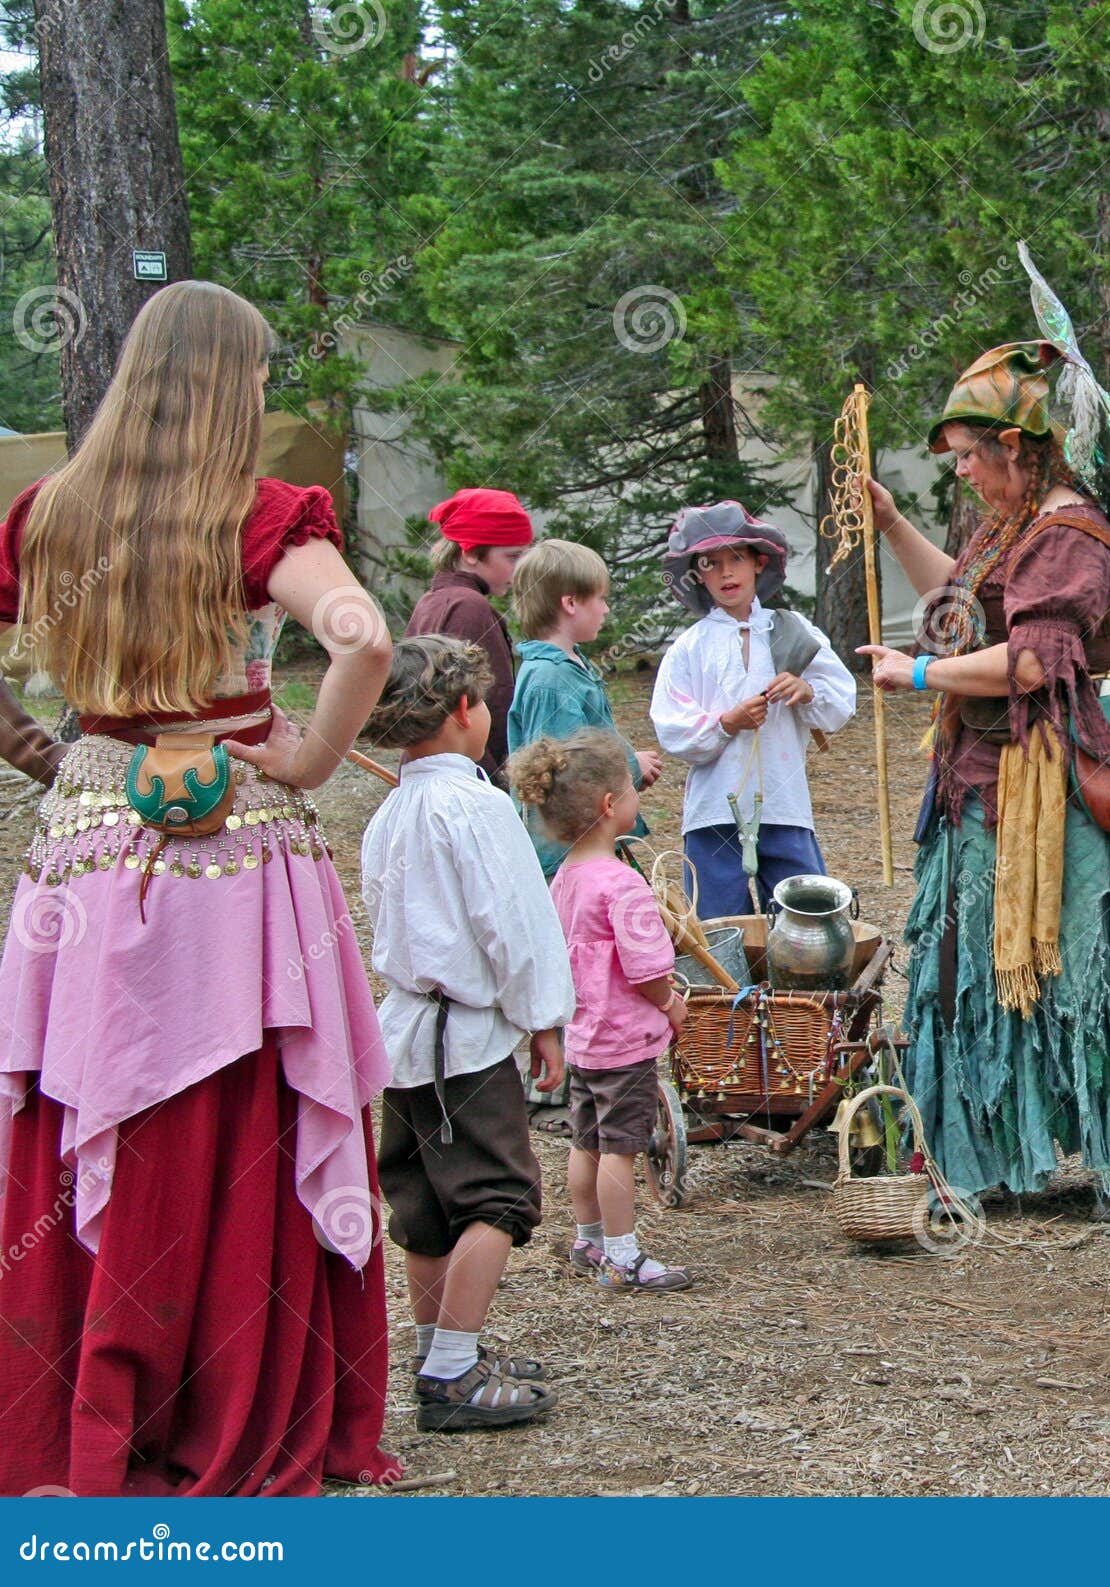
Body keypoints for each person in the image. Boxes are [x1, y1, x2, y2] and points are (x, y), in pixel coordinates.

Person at [0, 279, 399, 1495]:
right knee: (237, 1120)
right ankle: (227, 1399)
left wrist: (36, 750)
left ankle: (80, 1404)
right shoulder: (260, 517)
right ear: (239, 384)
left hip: (86, 844)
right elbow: (364, 638)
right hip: (237, 856)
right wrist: (316, 756)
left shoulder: (50, 514)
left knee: (85, 1120)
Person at [857, 341, 1110, 1214]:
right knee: (969, 967)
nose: (963, 478)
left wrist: (915, 678)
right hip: (980, 777)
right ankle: (977, 1153)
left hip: (1048, 791)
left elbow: (1030, 664)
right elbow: (958, 602)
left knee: (1076, 971)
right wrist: (889, 525)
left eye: (969, 459)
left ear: (1016, 449)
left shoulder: (1070, 538)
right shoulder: (1013, 524)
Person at [360, 636, 573, 1431]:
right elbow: (513, 924)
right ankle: (451, 1369)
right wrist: (543, 1018)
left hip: (407, 1034)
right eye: (483, 701)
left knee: (424, 1202)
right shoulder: (477, 805)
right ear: (461, 709)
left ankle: (437, 1345)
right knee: (498, 1194)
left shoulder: (392, 812)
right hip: (465, 1040)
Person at [509, 729, 692, 1292]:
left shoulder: (564, 878)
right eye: (632, 791)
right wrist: (672, 1004)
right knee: (621, 1149)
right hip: (625, 1043)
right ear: (611, 806)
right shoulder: (624, 885)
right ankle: (623, 1254)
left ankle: (588, 1237)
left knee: (585, 1141)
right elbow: (646, 970)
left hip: (584, 1038)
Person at [650, 501, 855, 920]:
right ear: (697, 572)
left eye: (736, 559)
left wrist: (806, 690)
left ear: (758, 563)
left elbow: (840, 702)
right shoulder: (690, 647)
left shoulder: (794, 631)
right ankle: (728, 988)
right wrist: (726, 723)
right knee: (718, 920)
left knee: (803, 913)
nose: (726, 573)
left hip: (784, 802)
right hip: (714, 810)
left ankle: (800, 986)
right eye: (711, 563)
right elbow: (671, 725)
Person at [505, 537, 662, 877]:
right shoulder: (552, 679)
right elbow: (567, 771)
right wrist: (632, 767)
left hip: (585, 846)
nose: (606, 609)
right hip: (567, 856)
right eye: (601, 598)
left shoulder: (570, 666)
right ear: (571, 603)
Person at [404, 486, 534, 781]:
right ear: (471, 553)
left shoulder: (431, 601)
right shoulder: (470, 608)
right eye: (512, 557)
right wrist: (497, 783)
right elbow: (488, 703)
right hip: (466, 777)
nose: (520, 570)